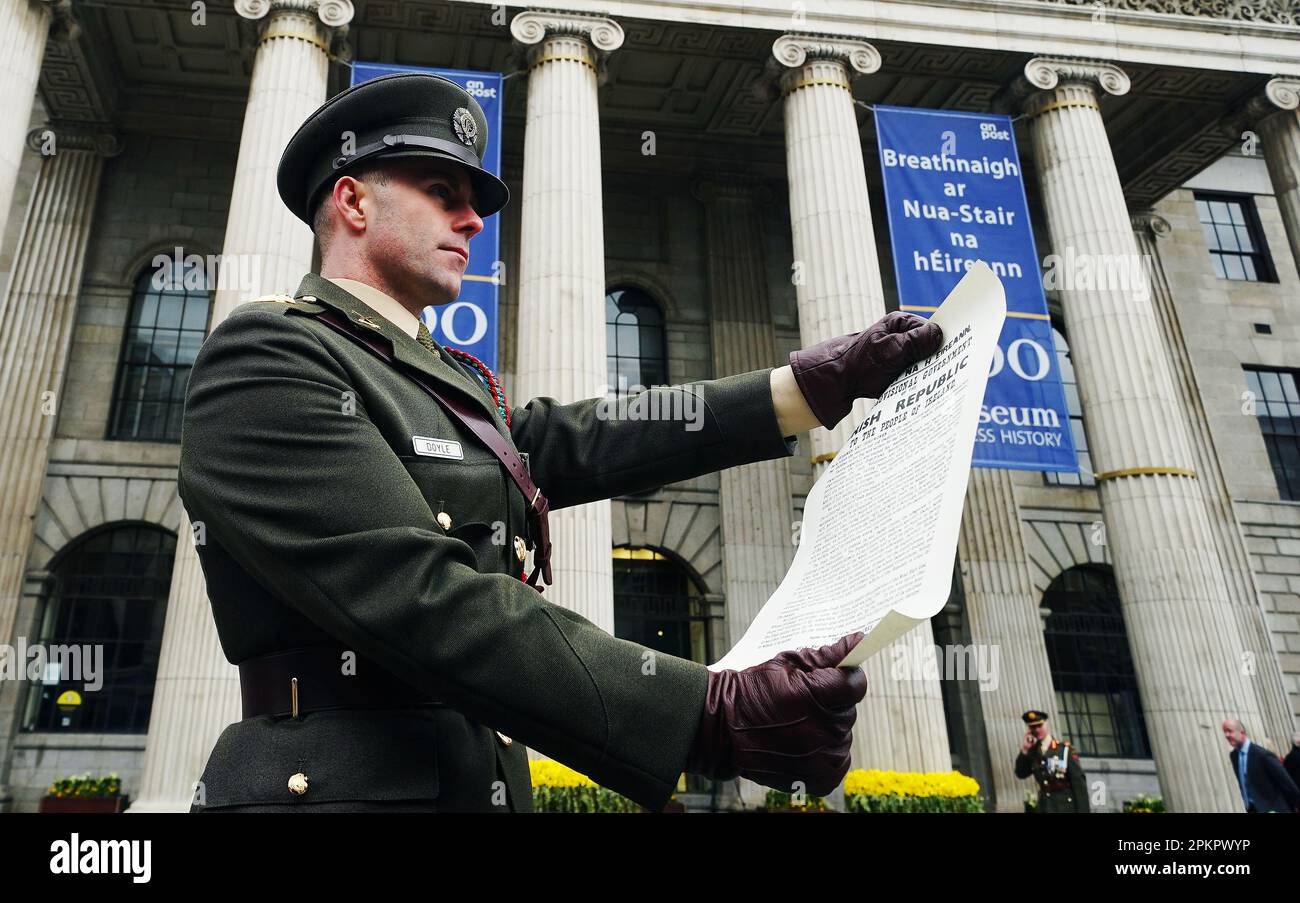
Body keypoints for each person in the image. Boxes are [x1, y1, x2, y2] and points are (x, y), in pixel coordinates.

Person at [179, 72, 944, 812]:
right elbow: (418, 595)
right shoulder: (267, 355)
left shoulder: (446, 379)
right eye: (443, 193)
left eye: (474, 203)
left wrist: (806, 388)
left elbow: (587, 437)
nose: (473, 221)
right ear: (352, 200)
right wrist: (708, 713)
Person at [1014, 709, 1089, 813]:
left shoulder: (1064, 750)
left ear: (1047, 725)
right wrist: (1025, 750)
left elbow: (1079, 784)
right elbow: (1020, 773)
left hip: (1066, 807)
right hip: (1045, 807)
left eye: (1039, 726)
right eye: (1033, 727)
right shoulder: (1033, 752)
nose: (1037, 730)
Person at [1222, 718, 1300, 813]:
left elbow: (1287, 784)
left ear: (1242, 733)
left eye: (1230, 731)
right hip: (1252, 808)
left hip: (1274, 809)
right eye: (1225, 732)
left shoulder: (1263, 755)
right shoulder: (1234, 756)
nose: (1226, 735)